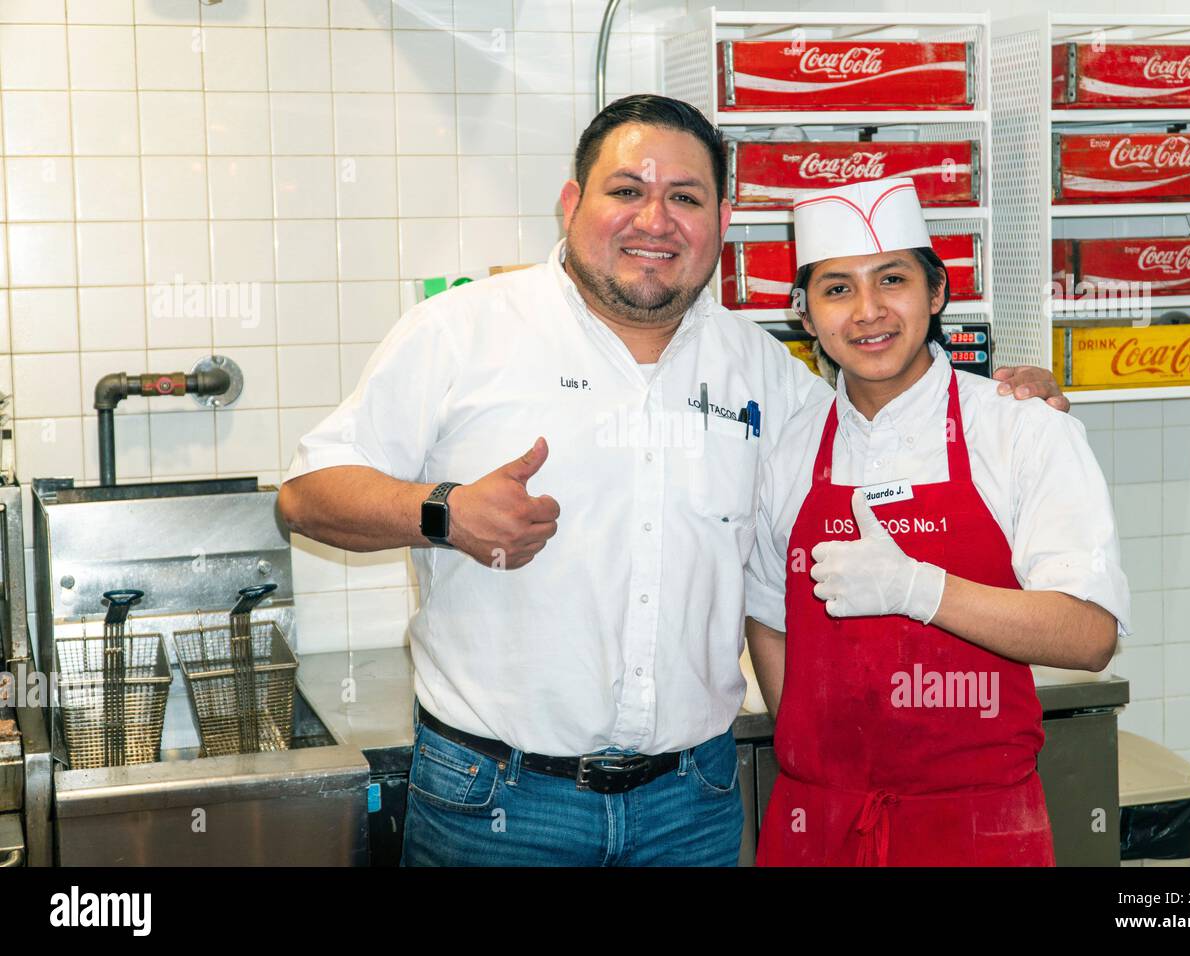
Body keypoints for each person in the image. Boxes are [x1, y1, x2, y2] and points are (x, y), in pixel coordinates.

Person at [277, 95, 1067, 867]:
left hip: (693, 803)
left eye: (684, 197)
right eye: (627, 191)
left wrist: (1005, 401)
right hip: (500, 802)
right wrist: (440, 511)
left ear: (720, 222)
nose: (655, 220)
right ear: (571, 202)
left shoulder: (759, 367)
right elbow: (306, 495)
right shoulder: (462, 331)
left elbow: (882, 427)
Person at [745, 178, 1130, 867]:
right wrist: (823, 759)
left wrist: (919, 589)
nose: (868, 312)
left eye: (892, 280)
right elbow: (770, 619)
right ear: (806, 316)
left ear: (937, 293)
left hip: (979, 823)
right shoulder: (788, 447)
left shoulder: (1022, 431)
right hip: (819, 822)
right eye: (837, 289)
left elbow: (1089, 634)